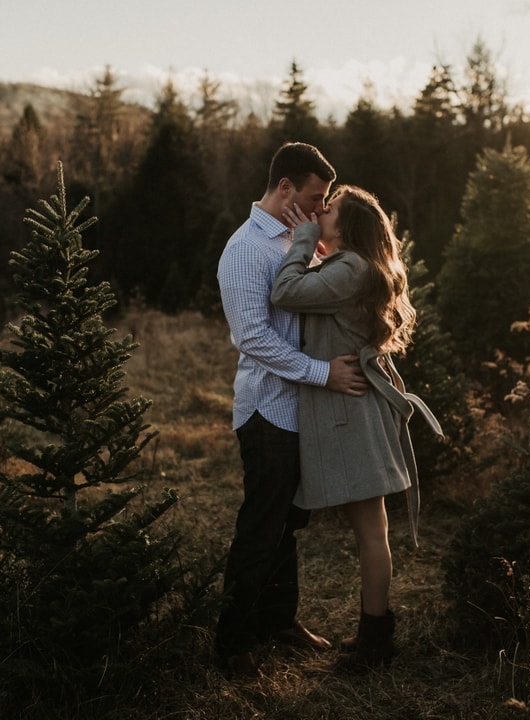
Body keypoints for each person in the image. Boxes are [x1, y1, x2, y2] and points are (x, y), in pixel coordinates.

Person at [272, 184, 443, 670]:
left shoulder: (350, 269)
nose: (319, 210)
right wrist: (313, 243)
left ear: (346, 225)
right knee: (371, 528)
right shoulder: (352, 267)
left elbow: (284, 292)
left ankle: (375, 646)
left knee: (370, 530)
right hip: (355, 410)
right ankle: (375, 635)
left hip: (353, 414)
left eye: (329, 209)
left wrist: (303, 238)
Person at [215, 142, 367, 679]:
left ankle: (279, 620)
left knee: (289, 524)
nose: (319, 205)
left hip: (305, 413)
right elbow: (252, 337)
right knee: (261, 526)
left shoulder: (302, 242)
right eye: (313, 195)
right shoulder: (246, 249)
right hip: (268, 413)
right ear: (285, 189)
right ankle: (232, 641)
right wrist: (323, 372)